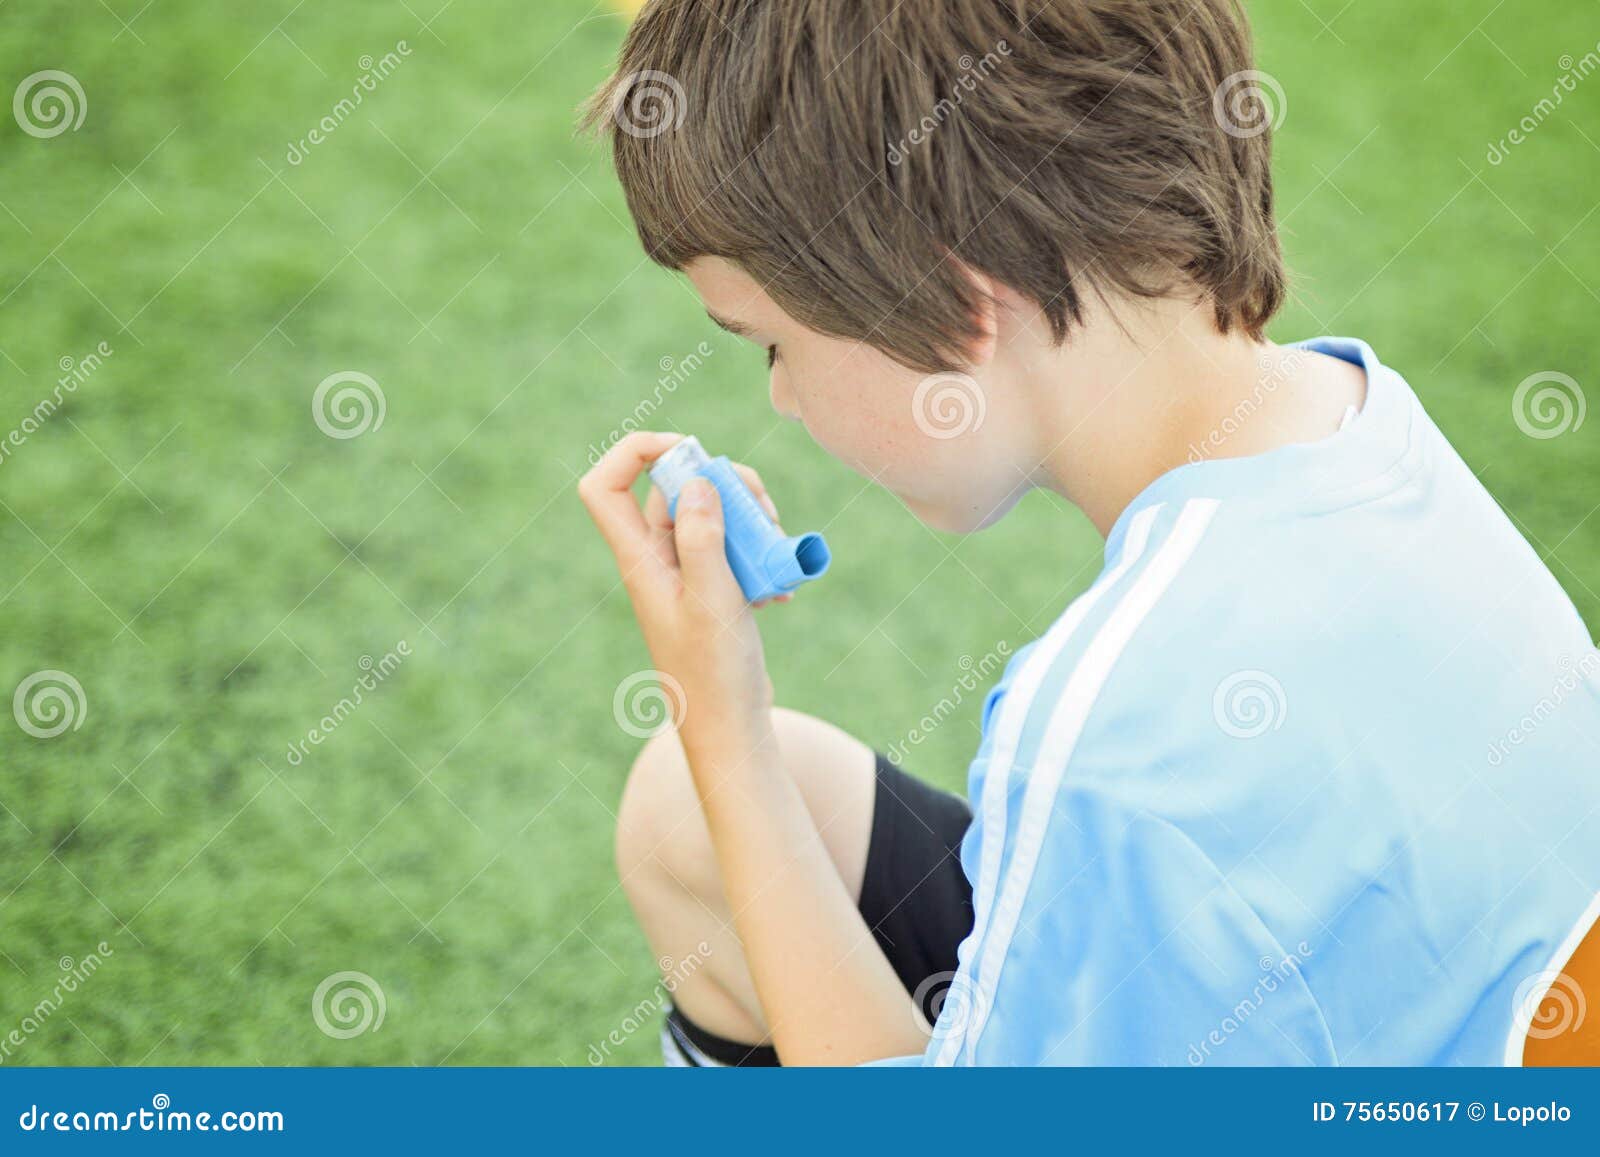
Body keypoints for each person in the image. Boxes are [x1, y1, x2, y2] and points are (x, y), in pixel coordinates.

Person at [577, 0, 1600, 1065]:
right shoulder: (1364, 415)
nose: (782, 400)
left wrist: (722, 726)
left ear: (951, 303)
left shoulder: (1116, 735)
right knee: (682, 821)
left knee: (721, 791)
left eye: (770, 346)